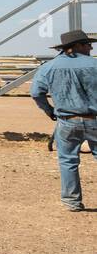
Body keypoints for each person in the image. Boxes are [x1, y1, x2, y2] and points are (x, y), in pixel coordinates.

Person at [31, 29, 97, 211]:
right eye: (87, 44)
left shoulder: (48, 67)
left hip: (67, 120)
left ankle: (72, 201)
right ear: (77, 46)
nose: (90, 47)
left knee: (68, 161)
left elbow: (36, 93)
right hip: (94, 118)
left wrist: (50, 111)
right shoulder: (94, 64)